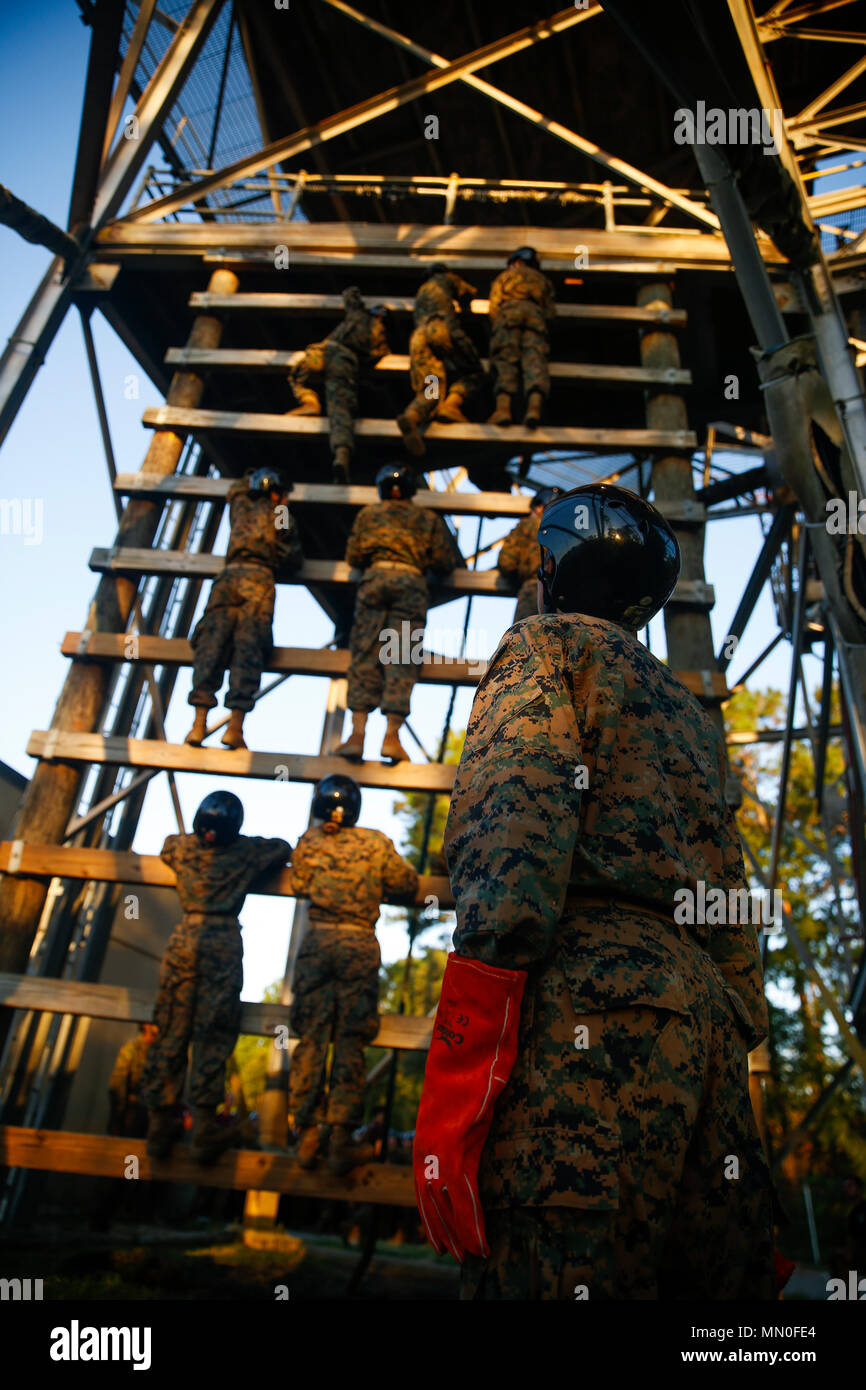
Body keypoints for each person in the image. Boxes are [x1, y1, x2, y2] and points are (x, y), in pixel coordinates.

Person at [413, 483, 776, 1300]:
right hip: (705, 1030)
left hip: (582, 1006)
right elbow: (731, 892)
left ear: (551, 566)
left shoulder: (544, 649)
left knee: (551, 1266)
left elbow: (515, 831)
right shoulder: (686, 711)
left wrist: (471, 1040)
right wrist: (727, 1025)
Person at [141, 791, 291, 1165]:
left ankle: (159, 1124)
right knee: (214, 1031)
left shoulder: (180, 848)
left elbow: (167, 846)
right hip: (223, 944)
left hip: (185, 939)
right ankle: (205, 1125)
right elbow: (281, 848)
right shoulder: (245, 853)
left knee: (171, 1027)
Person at [287, 775, 419, 1174]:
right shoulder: (375, 842)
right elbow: (407, 883)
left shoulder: (309, 842)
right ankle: (341, 1139)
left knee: (311, 1037)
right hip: (359, 945)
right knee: (350, 1040)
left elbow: (297, 883)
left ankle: (307, 1136)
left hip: (317, 945)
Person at [336, 463, 456, 763]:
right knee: (402, 658)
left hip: (374, 581)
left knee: (364, 654)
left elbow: (354, 556)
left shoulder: (368, 514)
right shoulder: (426, 519)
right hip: (411, 584)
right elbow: (443, 562)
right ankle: (392, 737)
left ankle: (357, 735)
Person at [185, 467, 303, 750]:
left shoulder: (239, 504)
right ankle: (234, 727)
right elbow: (293, 557)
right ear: (276, 492)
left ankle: (198, 724)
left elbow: (237, 488)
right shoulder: (279, 513)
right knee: (249, 649)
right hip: (259, 581)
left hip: (227, 579)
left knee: (211, 644)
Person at [287, 286, 390, 482]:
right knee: (340, 409)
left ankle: (309, 401)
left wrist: (354, 292)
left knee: (297, 373)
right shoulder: (381, 340)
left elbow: (350, 296)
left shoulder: (358, 315)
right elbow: (372, 362)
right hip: (343, 361)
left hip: (324, 353)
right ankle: (341, 454)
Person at [397, 263, 484, 457]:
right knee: (475, 373)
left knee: (432, 384)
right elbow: (467, 293)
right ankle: (451, 405)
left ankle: (412, 416)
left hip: (419, 335)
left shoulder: (421, 292)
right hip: (441, 328)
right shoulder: (446, 279)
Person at [487, 246, 556, 430]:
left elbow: (493, 307)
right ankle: (534, 409)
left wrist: (499, 324)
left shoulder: (504, 277)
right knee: (535, 362)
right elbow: (550, 314)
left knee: (505, 360)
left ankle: (503, 410)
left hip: (508, 315)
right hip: (536, 317)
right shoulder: (543, 280)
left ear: (516, 262)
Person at [497, 486, 563, 624]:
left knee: (526, 641)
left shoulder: (527, 525)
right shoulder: (567, 529)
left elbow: (506, 562)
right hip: (567, 597)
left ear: (539, 506)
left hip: (533, 591)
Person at [108, 1022, 158, 1139]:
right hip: (133, 1113)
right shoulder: (131, 1050)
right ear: (146, 1026)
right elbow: (117, 1085)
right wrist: (119, 1115)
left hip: (153, 1117)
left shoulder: (162, 1052)